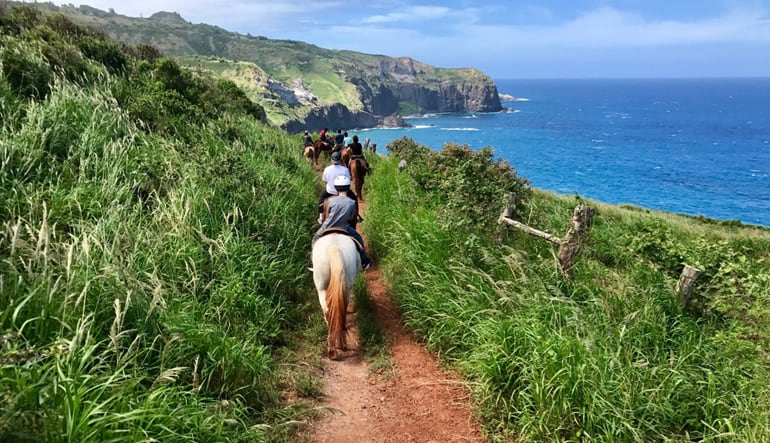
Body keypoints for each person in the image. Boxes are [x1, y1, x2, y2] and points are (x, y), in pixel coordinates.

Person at [313, 175, 372, 270]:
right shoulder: (352, 203)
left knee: (315, 239)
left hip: (327, 227)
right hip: (345, 227)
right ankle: (365, 261)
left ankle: (312, 262)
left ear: (336, 188)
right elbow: (351, 217)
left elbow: (327, 213)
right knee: (359, 240)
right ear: (348, 187)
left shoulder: (330, 201)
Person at [318, 151, 358, 222]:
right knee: (355, 199)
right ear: (340, 159)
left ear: (331, 159)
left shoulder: (327, 169)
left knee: (321, 201)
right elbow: (347, 180)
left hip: (330, 191)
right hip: (344, 191)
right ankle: (356, 216)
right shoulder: (345, 169)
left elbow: (324, 180)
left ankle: (321, 216)